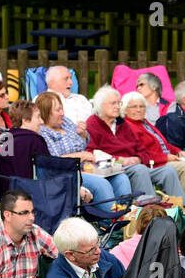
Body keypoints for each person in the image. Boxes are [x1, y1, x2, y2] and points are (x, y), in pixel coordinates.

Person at [35, 90, 132, 219]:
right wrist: (80, 156)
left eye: (62, 109)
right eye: (58, 110)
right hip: (68, 174)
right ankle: (111, 222)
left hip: (87, 167)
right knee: (101, 184)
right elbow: (53, 161)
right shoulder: (43, 133)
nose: (62, 113)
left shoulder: (66, 123)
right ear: (46, 113)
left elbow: (84, 143)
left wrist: (84, 134)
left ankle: (126, 216)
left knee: (120, 176)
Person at [121, 91, 185, 217]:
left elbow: (164, 144)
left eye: (142, 106)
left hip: (167, 159)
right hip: (154, 164)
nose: (139, 110)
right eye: (134, 107)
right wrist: (166, 157)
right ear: (125, 109)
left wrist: (179, 151)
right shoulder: (129, 126)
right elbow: (141, 153)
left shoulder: (145, 123)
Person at [85, 85, 174, 201]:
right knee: (139, 170)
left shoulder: (122, 124)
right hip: (113, 169)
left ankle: (181, 211)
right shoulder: (93, 123)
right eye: (113, 103)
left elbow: (143, 150)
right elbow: (91, 154)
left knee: (169, 171)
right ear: (100, 106)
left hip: (136, 166)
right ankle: (151, 212)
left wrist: (138, 158)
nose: (117, 107)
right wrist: (121, 160)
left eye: (119, 103)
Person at [0, 99, 49, 192]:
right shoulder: (34, 140)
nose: (42, 121)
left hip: (6, 196)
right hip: (28, 196)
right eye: (38, 117)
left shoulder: (8, 140)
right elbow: (50, 173)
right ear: (26, 120)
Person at [43, 65, 93, 130]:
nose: (71, 82)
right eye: (66, 79)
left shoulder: (80, 98)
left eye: (70, 78)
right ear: (53, 82)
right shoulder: (42, 101)